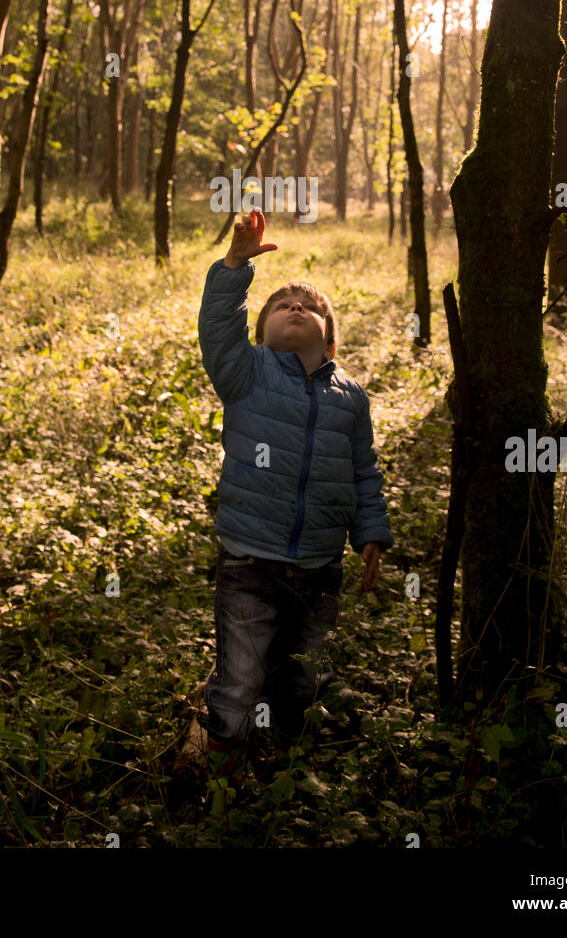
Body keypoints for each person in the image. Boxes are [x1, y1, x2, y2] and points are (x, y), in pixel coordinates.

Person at [196, 208, 393, 783]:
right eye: (281, 304)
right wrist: (235, 266)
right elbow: (218, 327)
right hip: (250, 560)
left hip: (319, 566)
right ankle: (222, 775)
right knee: (239, 678)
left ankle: (286, 768)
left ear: (329, 336)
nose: (295, 307)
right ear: (261, 331)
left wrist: (371, 532)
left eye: (308, 305)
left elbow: (362, 470)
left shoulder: (350, 398)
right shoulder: (246, 373)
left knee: (304, 675)